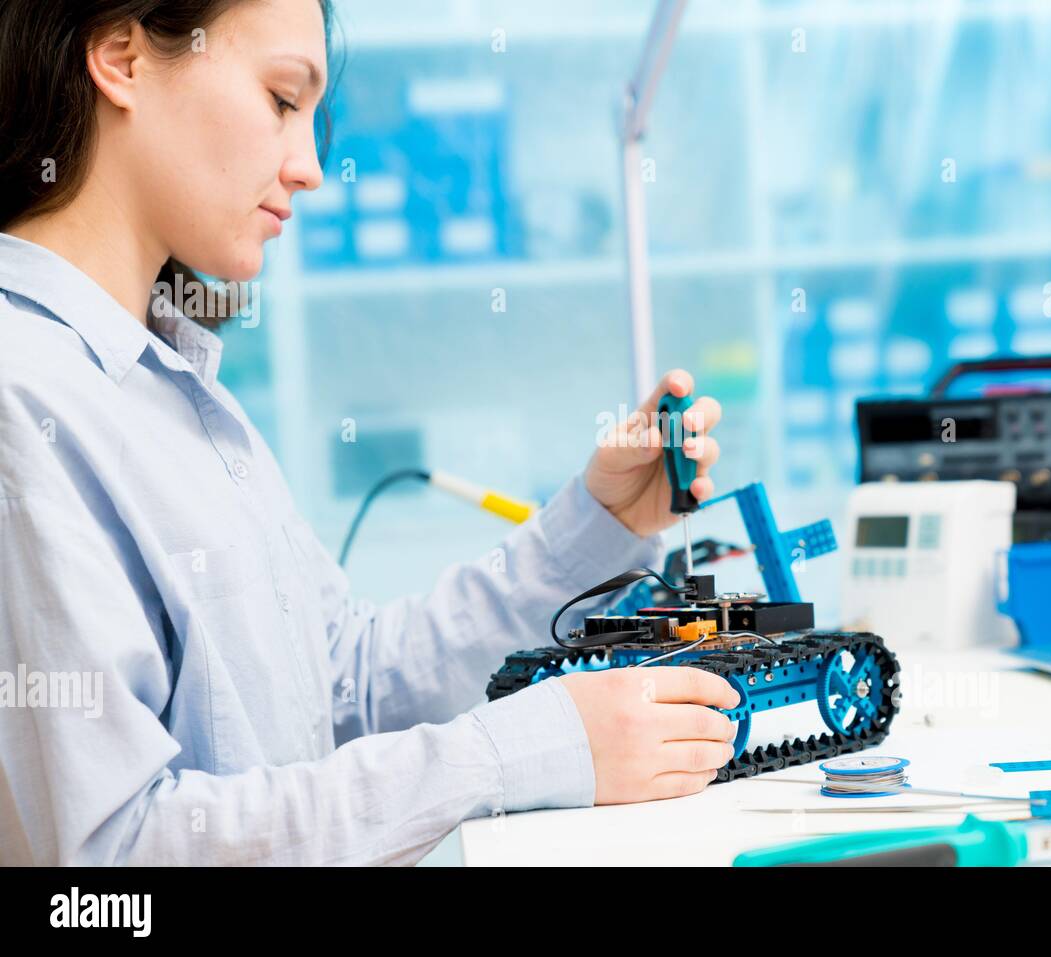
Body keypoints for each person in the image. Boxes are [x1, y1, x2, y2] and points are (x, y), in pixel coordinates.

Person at [0, 0, 740, 865]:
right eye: (283, 98)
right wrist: (515, 754)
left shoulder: (181, 388)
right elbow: (109, 862)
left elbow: (346, 683)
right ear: (122, 57)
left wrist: (596, 523)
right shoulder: (25, 400)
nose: (310, 167)